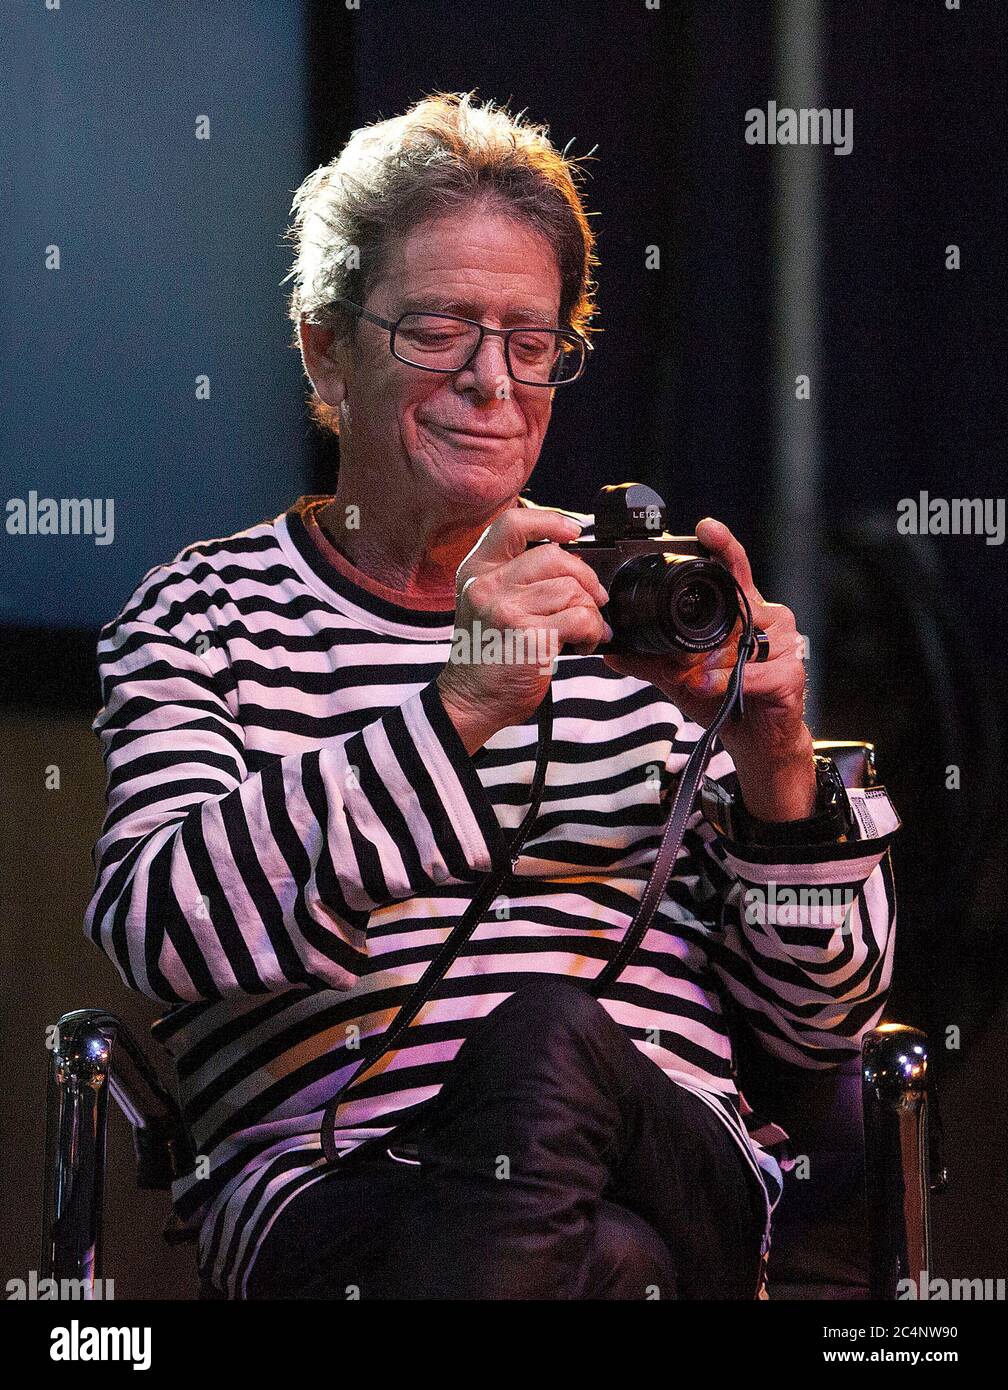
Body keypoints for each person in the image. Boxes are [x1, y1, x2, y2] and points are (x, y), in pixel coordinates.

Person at [84, 91, 899, 1300]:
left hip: (669, 1169)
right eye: (440, 331)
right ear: (324, 348)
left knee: (556, 1042)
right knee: (600, 1261)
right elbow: (162, 927)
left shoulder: (638, 603)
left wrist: (780, 772)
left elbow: (815, 1030)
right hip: (346, 1191)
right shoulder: (207, 611)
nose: (493, 383)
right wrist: (454, 710)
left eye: (532, 339)